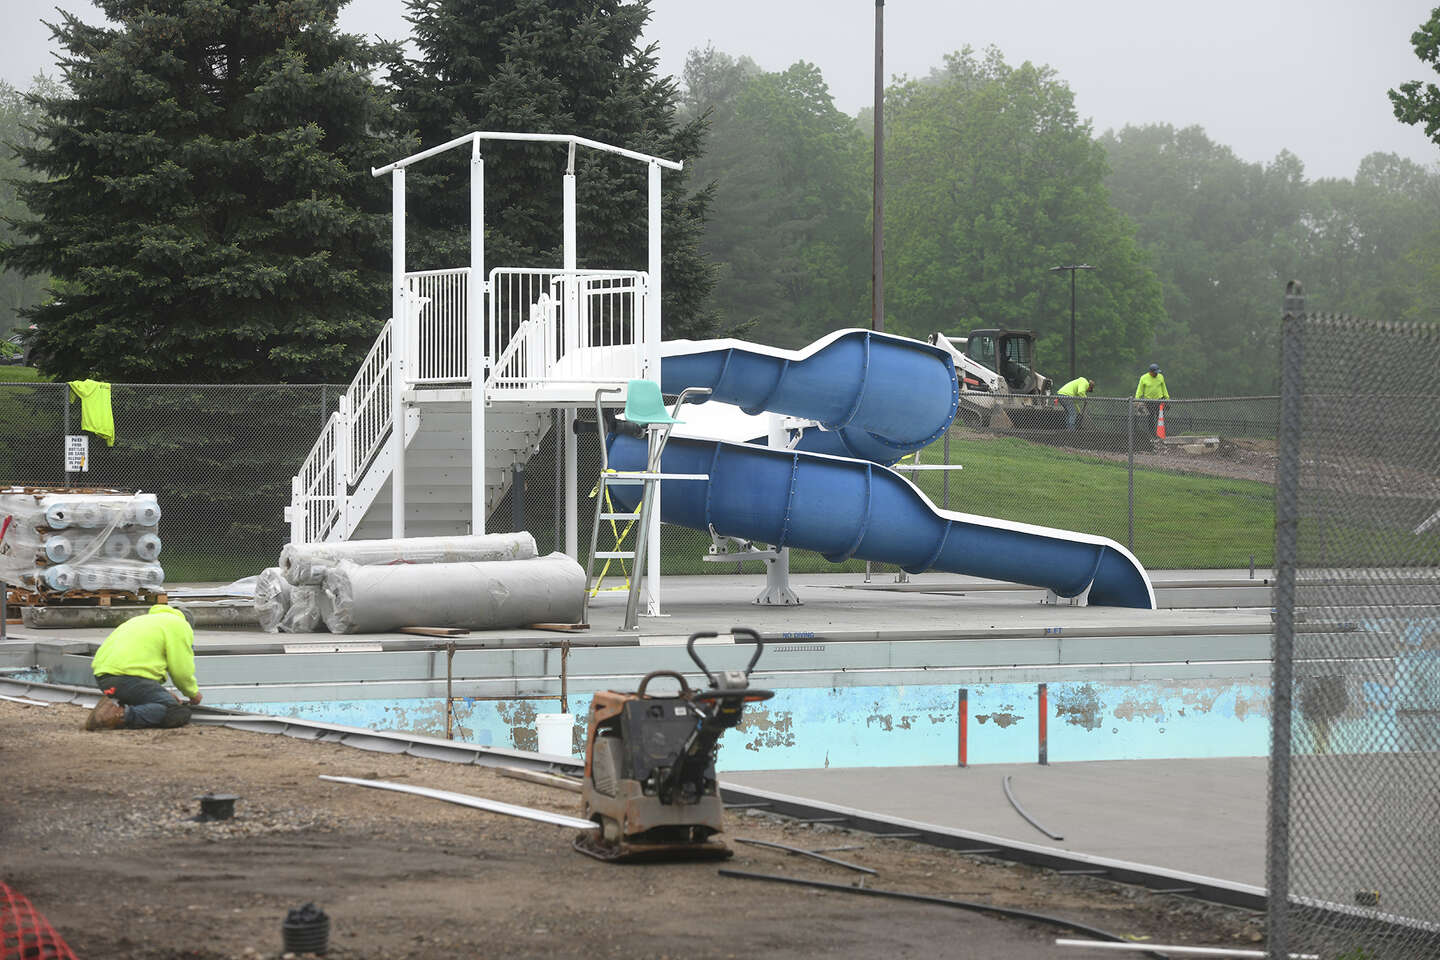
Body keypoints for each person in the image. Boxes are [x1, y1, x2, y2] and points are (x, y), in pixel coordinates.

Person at [84, 603, 201, 731]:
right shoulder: (180, 625)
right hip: (127, 678)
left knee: (154, 701)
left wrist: (160, 692)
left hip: (104, 678)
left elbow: (140, 663)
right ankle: (115, 716)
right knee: (176, 711)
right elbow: (181, 670)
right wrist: (192, 693)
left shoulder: (142, 620)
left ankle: (112, 706)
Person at [1135, 363, 1170, 435]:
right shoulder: (1144, 378)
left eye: (1157, 372)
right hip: (1148, 401)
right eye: (1155, 372)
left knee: (1160, 417)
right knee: (1150, 417)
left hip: (1159, 400)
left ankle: (1160, 433)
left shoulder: (1160, 377)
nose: (1156, 374)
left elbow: (1164, 388)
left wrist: (1167, 398)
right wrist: (1137, 399)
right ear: (1150, 372)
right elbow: (1140, 389)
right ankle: (1152, 434)